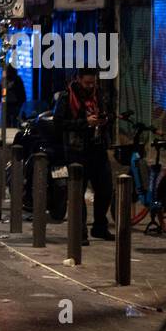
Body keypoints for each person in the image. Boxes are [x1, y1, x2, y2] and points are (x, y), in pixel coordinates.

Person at [52, 67, 114, 244]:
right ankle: (80, 232)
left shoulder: (98, 93)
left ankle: (100, 226)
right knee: (78, 193)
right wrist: (84, 123)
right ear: (78, 79)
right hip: (77, 151)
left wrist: (105, 119)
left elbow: (108, 112)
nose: (90, 86)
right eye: (87, 83)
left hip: (98, 148)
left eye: (93, 83)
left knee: (105, 189)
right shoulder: (67, 96)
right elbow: (59, 123)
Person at [0, 65, 26, 130]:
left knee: (11, 120)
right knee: (11, 120)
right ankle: (11, 131)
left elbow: (0, 92)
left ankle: (10, 131)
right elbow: (1, 92)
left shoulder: (16, 79)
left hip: (12, 103)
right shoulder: (7, 80)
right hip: (9, 103)